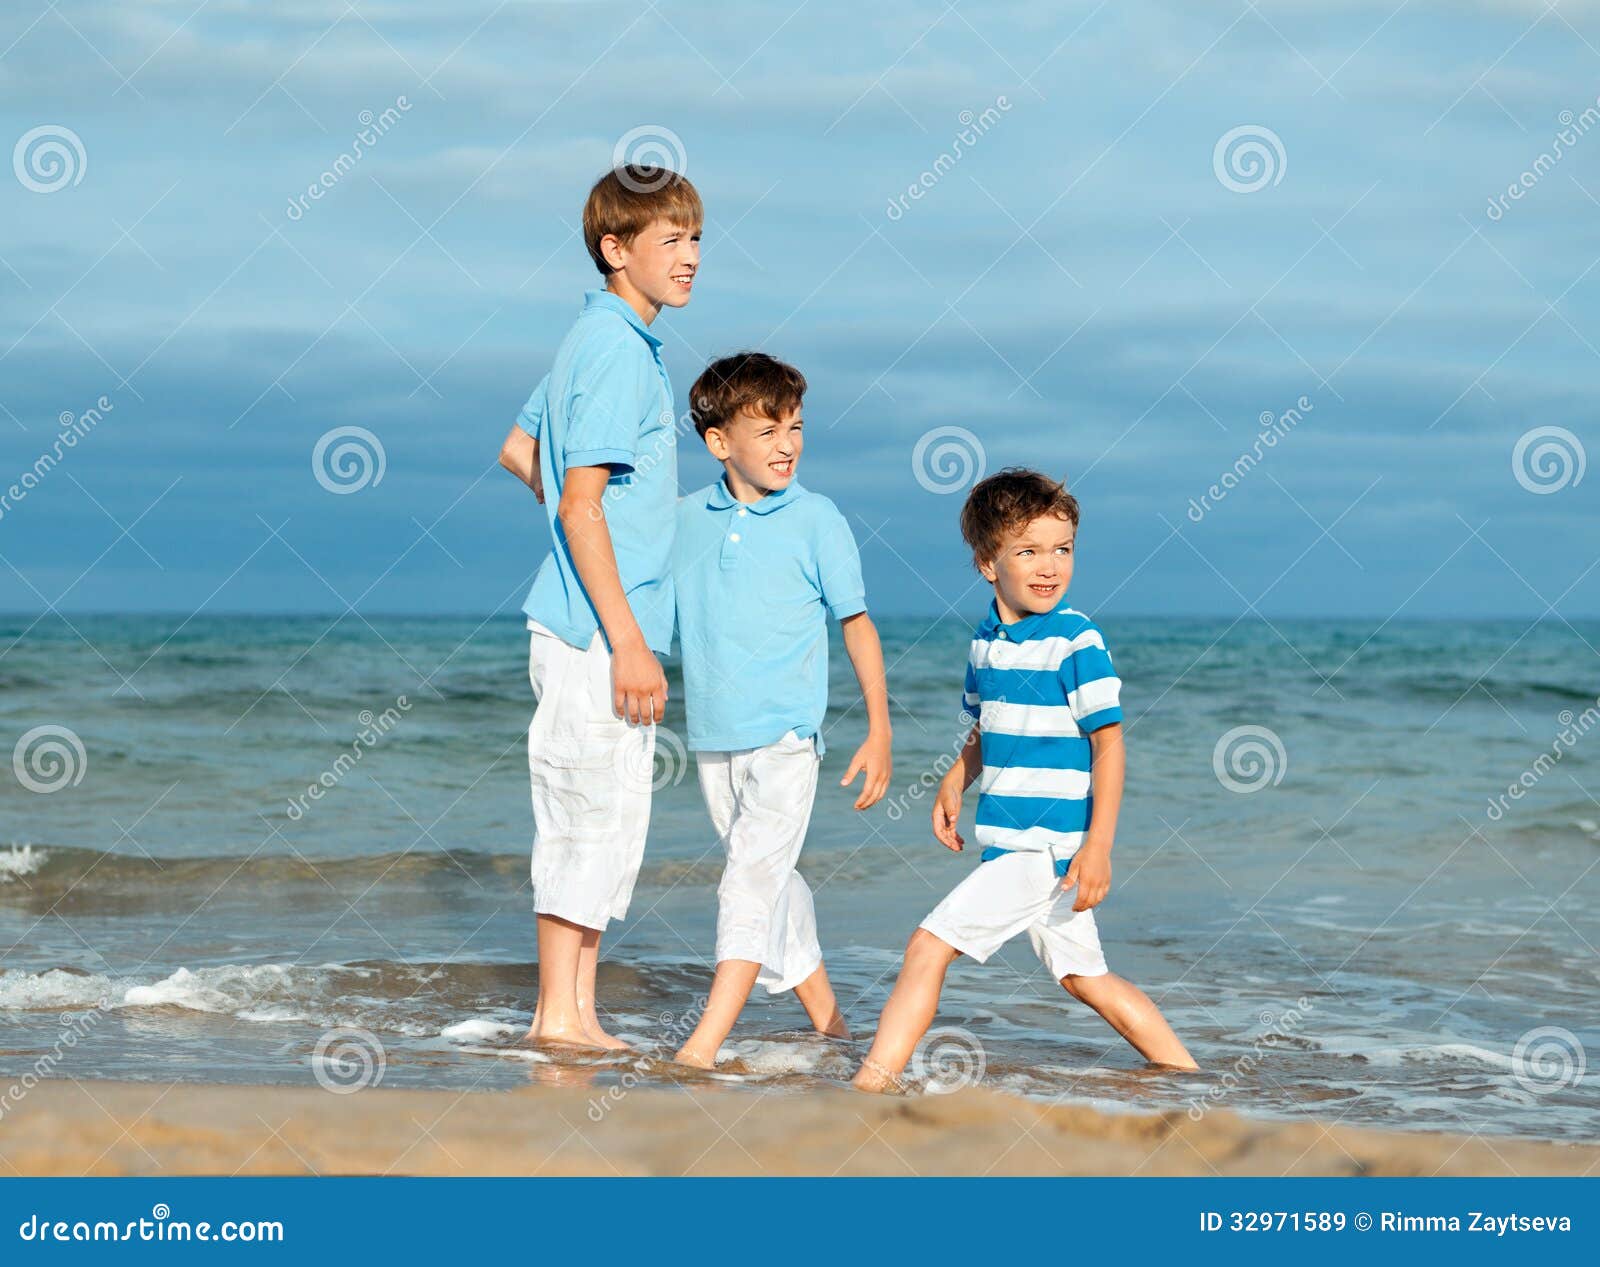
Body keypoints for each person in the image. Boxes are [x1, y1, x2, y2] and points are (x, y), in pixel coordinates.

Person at [854, 468, 1197, 1089]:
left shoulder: (1076, 640)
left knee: (927, 948)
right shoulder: (984, 642)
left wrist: (1098, 846)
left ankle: (870, 1088)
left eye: (1062, 549)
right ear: (989, 563)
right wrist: (956, 778)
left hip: (1041, 848)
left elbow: (1109, 744)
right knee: (1085, 979)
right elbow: (985, 728)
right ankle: (1189, 1078)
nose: (1049, 566)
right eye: (1029, 551)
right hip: (1017, 845)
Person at [497, 164, 701, 1049]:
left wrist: (582, 518)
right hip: (596, 631)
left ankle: (576, 1013)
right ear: (616, 249)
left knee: (604, 820)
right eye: (671, 240)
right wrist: (629, 640)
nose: (690, 257)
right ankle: (557, 1017)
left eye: (696, 238)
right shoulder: (617, 350)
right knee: (587, 820)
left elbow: (519, 449)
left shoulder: (599, 337)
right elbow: (580, 504)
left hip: (590, 623)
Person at [669, 352, 892, 1068]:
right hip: (713, 737)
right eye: (768, 431)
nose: (788, 444)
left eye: (795, 427)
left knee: (747, 882)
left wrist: (880, 730)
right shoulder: (684, 521)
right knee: (772, 882)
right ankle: (833, 1026)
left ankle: (701, 1047)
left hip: (787, 738)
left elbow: (856, 623)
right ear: (718, 442)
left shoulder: (817, 519)